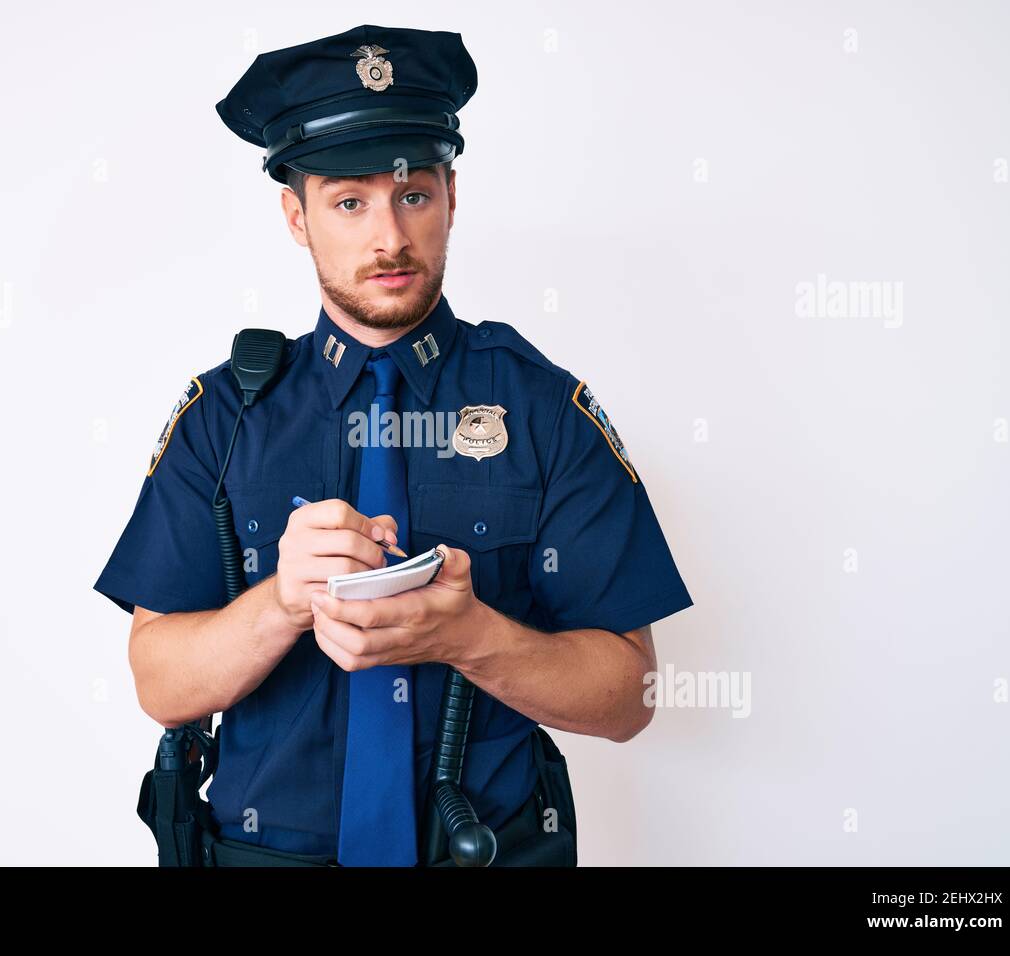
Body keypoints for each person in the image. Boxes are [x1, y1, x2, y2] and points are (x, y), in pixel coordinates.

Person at [94, 24, 693, 866]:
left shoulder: (543, 407)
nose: (390, 239)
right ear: (296, 216)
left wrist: (467, 635)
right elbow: (159, 683)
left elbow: (632, 696)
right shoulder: (223, 416)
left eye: (412, 195)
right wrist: (281, 602)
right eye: (349, 202)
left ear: (451, 194)